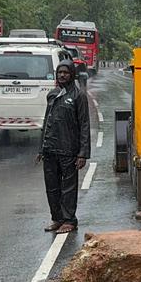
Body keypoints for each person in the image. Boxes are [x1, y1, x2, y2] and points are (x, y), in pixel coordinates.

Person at [37, 59, 90, 234]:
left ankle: (69, 220)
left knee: (68, 188)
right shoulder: (52, 95)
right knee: (51, 187)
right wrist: (41, 148)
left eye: (66, 72)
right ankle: (57, 218)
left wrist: (82, 153)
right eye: (59, 72)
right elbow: (47, 122)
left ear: (72, 74)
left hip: (69, 151)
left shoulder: (78, 95)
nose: (62, 75)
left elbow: (84, 124)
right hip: (50, 149)